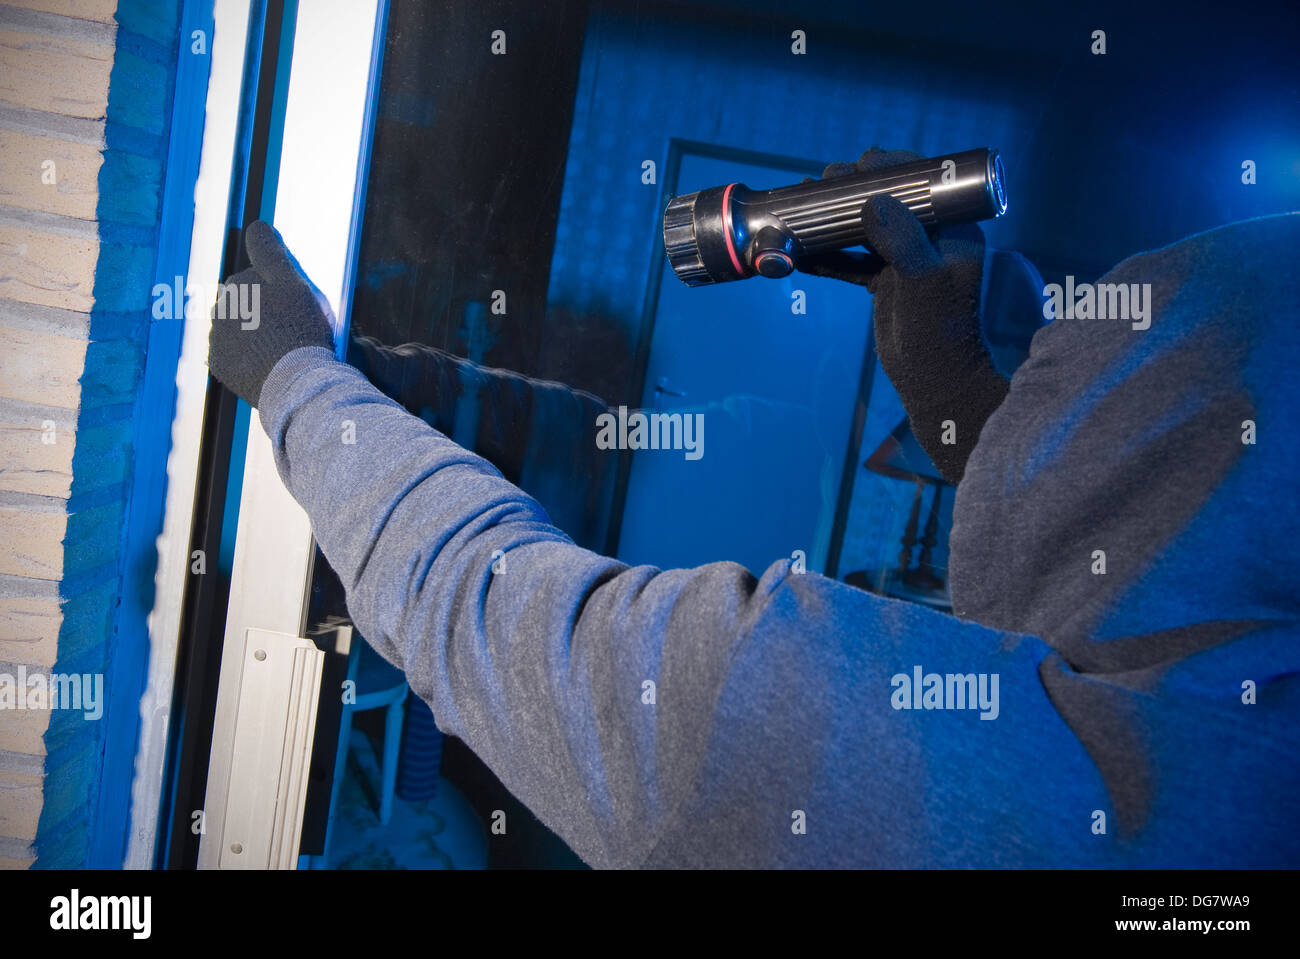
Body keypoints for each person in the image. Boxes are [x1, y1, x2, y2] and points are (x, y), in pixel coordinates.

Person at [207, 150, 1300, 868]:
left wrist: (306, 387)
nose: (1043, 358)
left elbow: (561, 658)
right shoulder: (1226, 716)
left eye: (1068, 377)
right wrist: (966, 407)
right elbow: (569, 425)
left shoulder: (1148, 798)